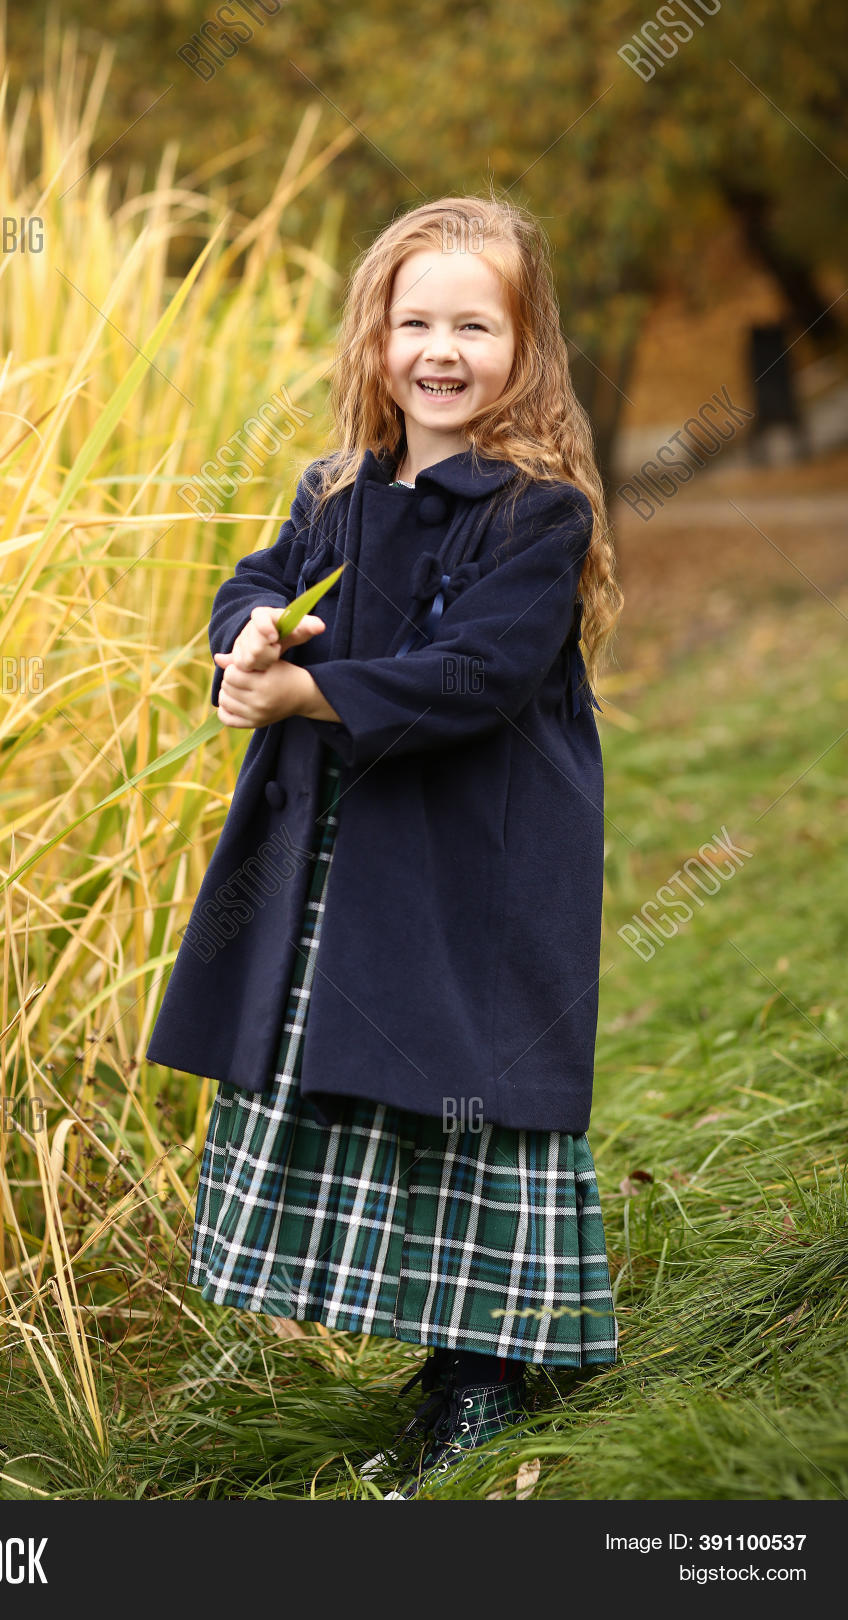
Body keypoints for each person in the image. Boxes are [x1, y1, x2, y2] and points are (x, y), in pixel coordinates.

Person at [146, 193, 625, 1499]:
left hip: (476, 853)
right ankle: (439, 1358)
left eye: (476, 323)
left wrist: (318, 695)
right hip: (347, 859)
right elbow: (257, 580)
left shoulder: (537, 514)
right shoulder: (338, 490)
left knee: (470, 1085)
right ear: (375, 337)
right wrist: (248, 644)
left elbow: (476, 673)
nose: (441, 348)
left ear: (526, 347)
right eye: (416, 320)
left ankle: (486, 1368)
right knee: (376, 1079)